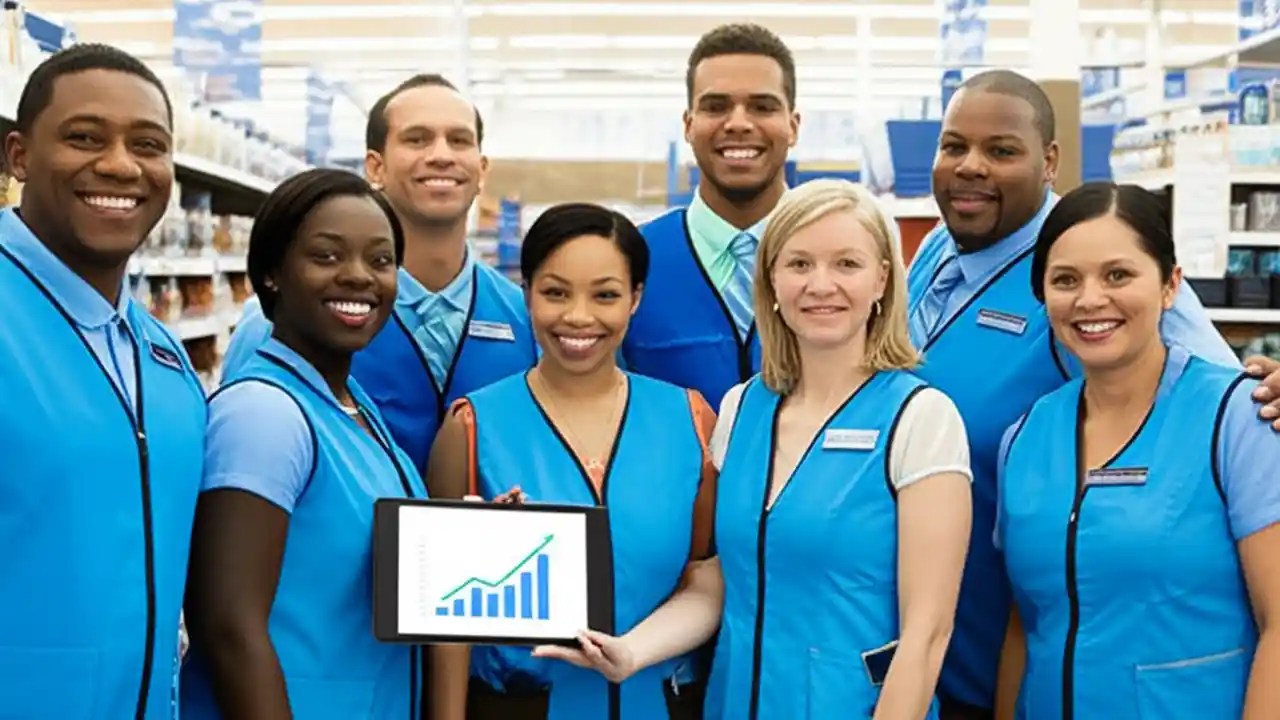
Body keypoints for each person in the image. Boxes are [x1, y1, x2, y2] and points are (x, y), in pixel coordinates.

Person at [906, 69, 1280, 719]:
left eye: (1001, 149)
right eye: (953, 146)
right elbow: (1027, 617)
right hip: (953, 662)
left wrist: (1267, 392)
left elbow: (1221, 390)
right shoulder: (941, 258)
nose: (1090, 299)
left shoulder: (1228, 422)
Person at [537, 180, 974, 720]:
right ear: (770, 279)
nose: (820, 285)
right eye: (799, 264)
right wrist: (631, 652)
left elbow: (927, 635)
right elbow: (721, 582)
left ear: (882, 277)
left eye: (846, 264)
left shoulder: (921, 419)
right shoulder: (741, 409)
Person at [993, 182, 1280, 719]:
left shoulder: (1241, 418)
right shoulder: (1025, 438)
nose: (1090, 299)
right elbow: (1024, 625)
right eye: (1065, 280)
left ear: (1170, 286)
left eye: (1118, 275)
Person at [426, 203, 717, 719]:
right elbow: (445, 623)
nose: (579, 317)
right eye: (556, 293)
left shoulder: (690, 421)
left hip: (659, 703)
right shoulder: (472, 428)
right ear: (526, 294)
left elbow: (703, 572)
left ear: (635, 298)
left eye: (605, 295)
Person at [0, 44, 206, 717]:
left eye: (148, 145)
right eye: (85, 138)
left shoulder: (163, 357)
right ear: (19, 156)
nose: (120, 165)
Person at [180, 168, 431, 719]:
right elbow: (227, 624)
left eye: (381, 260)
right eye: (327, 256)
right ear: (272, 273)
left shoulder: (350, 405)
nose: (359, 276)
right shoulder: (264, 414)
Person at [222, 73, 537, 475]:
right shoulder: (276, 321)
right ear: (376, 166)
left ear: (482, 169)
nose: (442, 155)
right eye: (417, 139)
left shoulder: (528, 320)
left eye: (459, 140)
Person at [623, 23, 798, 409]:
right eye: (716, 106)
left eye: (763, 106)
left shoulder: (847, 260)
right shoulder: (631, 259)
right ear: (689, 125)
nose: (738, 123)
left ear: (793, 126)